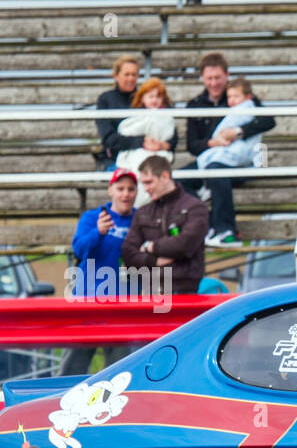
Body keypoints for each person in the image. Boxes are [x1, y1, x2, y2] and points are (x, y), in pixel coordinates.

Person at [180, 53, 278, 248]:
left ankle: (226, 229)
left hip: (242, 162)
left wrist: (237, 132)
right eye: (209, 78)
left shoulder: (239, 97)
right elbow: (192, 145)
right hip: (211, 158)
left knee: (218, 171)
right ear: (202, 78)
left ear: (227, 75)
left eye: (218, 78)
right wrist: (212, 143)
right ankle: (210, 224)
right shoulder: (195, 105)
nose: (214, 83)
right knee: (176, 181)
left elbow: (268, 120)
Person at [63, 168, 138, 374]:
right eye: (120, 188)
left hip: (122, 306)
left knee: (118, 370)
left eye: (131, 189)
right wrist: (98, 232)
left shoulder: (140, 219)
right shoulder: (93, 217)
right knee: (72, 367)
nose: (126, 194)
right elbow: (78, 248)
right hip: (88, 302)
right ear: (110, 190)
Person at [121, 155, 208, 295]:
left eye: (149, 182)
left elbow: (185, 245)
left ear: (165, 176)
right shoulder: (143, 212)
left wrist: (150, 247)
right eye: (143, 183)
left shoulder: (196, 207)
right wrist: (153, 261)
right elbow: (127, 253)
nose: (145, 188)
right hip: (151, 291)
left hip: (186, 291)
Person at [114, 78, 177, 206]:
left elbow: (170, 137)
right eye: (151, 96)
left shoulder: (167, 118)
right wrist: (143, 141)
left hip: (158, 153)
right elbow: (126, 131)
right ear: (143, 98)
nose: (154, 100)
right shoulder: (134, 117)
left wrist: (161, 145)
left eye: (158, 96)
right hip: (137, 153)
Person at [95, 55, 164, 170]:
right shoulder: (105, 99)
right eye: (127, 74)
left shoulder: (147, 99)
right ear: (116, 76)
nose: (131, 78)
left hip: (147, 157)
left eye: (134, 74)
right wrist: (141, 141)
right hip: (115, 159)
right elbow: (109, 139)